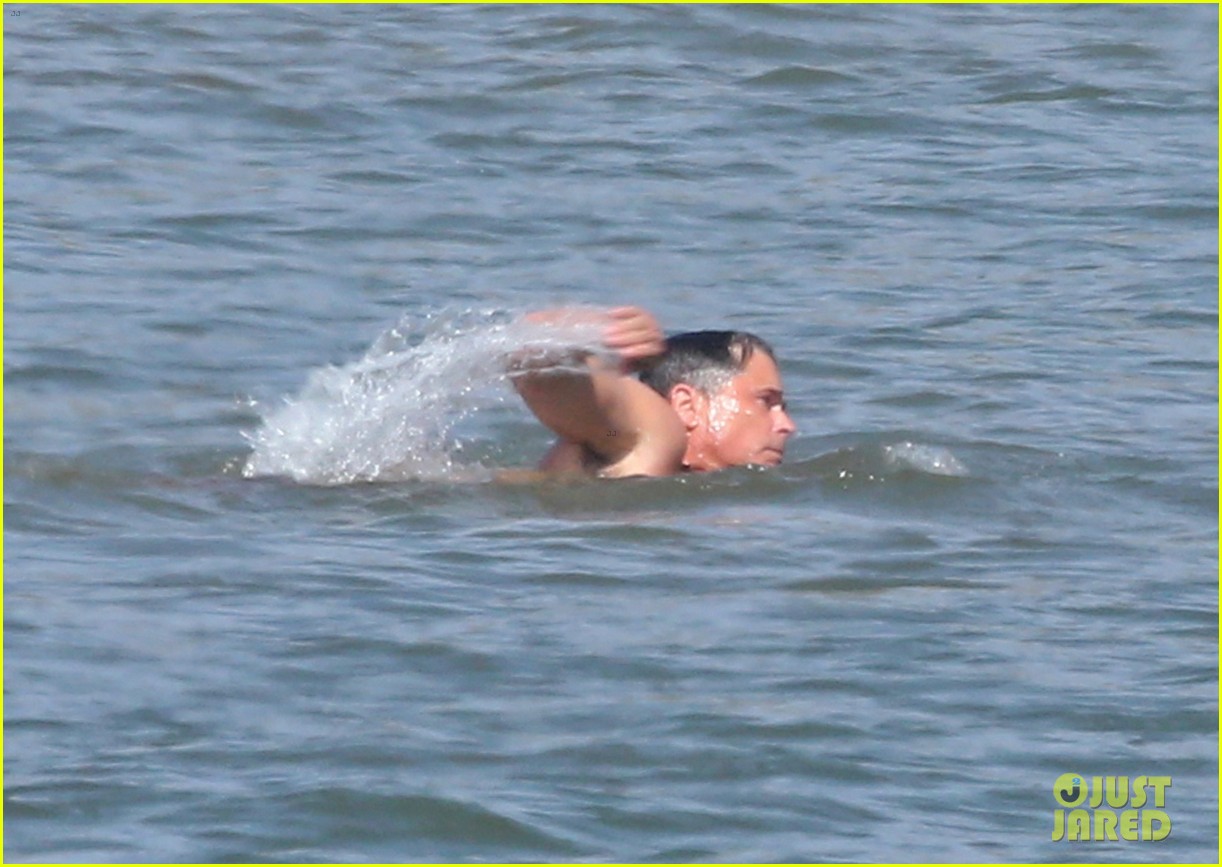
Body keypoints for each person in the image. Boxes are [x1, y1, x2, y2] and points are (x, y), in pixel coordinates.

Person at [509, 306, 797, 478]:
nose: (787, 426)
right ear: (687, 406)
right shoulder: (646, 437)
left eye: (783, 408)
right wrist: (596, 331)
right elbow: (532, 364)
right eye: (765, 402)